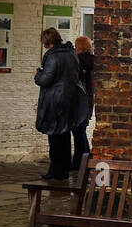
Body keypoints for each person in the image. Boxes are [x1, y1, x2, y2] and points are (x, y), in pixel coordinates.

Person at [34, 28, 88, 181]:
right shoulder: (71, 54)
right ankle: (63, 168)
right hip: (69, 99)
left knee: (54, 137)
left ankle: (56, 170)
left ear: (47, 42)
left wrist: (37, 75)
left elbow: (45, 79)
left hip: (55, 101)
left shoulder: (53, 57)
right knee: (64, 135)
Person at [70, 35, 95, 172]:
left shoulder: (79, 61)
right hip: (88, 100)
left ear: (79, 47)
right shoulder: (91, 60)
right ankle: (83, 160)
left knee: (78, 132)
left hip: (80, 101)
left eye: (76, 45)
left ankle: (81, 161)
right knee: (80, 131)